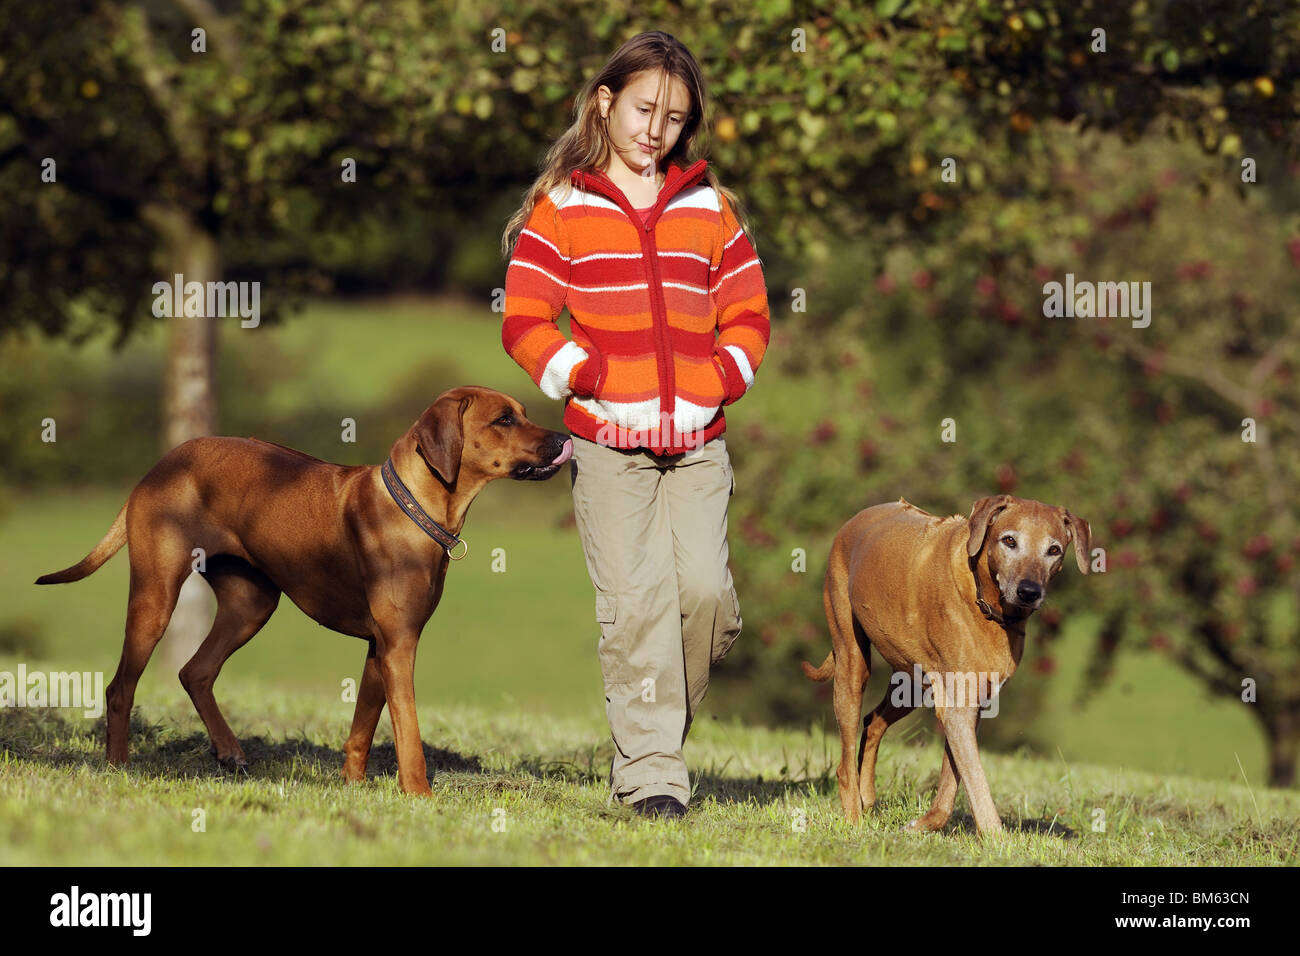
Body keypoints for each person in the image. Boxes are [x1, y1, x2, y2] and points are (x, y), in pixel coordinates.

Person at [500, 31, 770, 818]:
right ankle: (652, 771)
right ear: (607, 102)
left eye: (676, 118)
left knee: (706, 598)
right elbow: (523, 321)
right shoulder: (566, 210)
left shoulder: (710, 210)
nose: (657, 129)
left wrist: (719, 379)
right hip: (607, 447)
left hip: (698, 448)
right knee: (637, 603)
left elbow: (750, 314)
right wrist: (589, 378)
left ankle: (654, 736)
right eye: (646, 109)